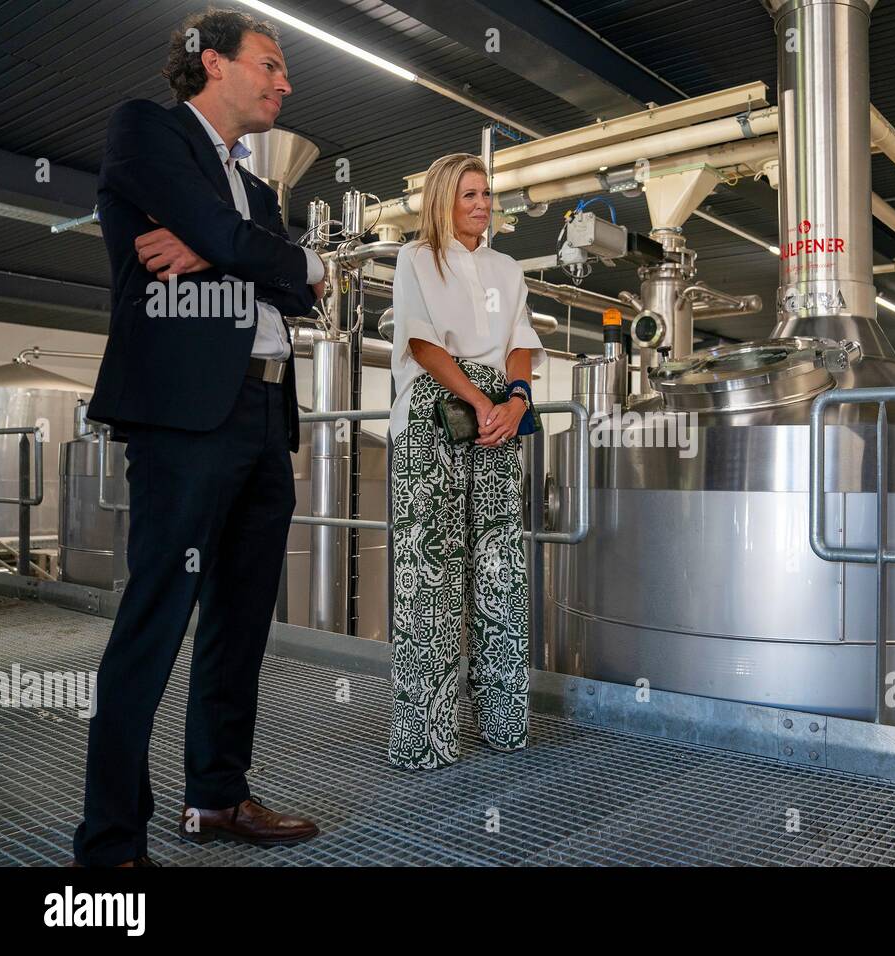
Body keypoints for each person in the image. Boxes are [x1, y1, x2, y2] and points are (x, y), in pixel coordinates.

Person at [75, 8, 326, 866]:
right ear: (213, 64)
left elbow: (295, 297)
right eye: (272, 64)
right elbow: (276, 262)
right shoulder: (145, 131)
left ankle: (216, 798)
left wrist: (227, 250)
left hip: (263, 413)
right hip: (184, 418)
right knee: (155, 619)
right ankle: (109, 841)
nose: (284, 83)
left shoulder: (256, 187)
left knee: (240, 620)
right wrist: (251, 253)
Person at [387, 152, 547, 768]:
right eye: (468, 194)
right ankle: (426, 739)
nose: (482, 203)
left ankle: (503, 724)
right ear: (442, 201)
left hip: (497, 422)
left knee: (501, 568)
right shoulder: (414, 258)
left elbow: (520, 345)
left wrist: (516, 400)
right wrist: (480, 400)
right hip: (434, 414)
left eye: (486, 193)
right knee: (429, 573)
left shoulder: (508, 268)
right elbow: (422, 342)